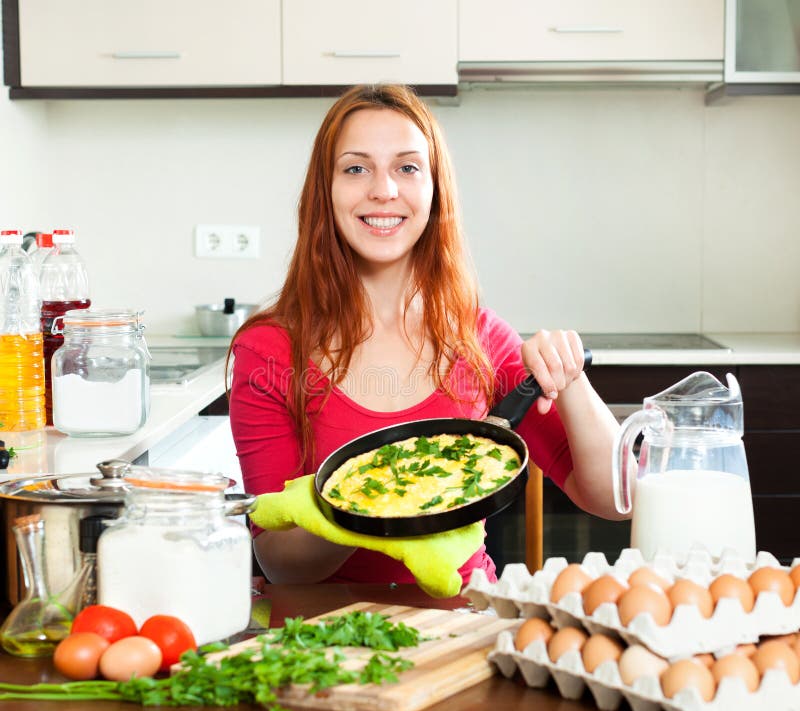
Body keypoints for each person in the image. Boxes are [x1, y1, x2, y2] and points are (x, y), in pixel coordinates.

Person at [229, 84, 622, 587]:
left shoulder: (481, 339)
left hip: (464, 620)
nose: (384, 190)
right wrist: (385, 489)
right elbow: (282, 564)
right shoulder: (268, 350)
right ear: (324, 191)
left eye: (407, 167)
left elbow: (613, 500)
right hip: (325, 637)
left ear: (435, 189)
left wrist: (571, 380)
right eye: (355, 168)